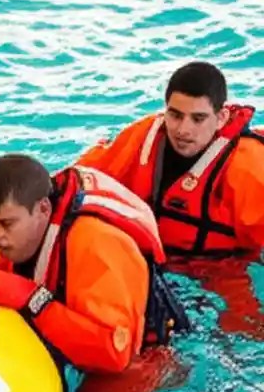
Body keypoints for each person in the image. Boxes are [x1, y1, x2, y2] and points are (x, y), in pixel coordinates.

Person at [0, 154, 184, 374]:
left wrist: (34, 300)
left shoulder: (97, 244)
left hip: (148, 357)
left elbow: (116, 354)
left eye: (6, 223)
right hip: (88, 324)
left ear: (44, 209)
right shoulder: (24, 232)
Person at [76, 60, 264, 256]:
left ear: (221, 118)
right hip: (147, 260)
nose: (183, 130)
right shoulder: (142, 137)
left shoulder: (249, 167)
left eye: (198, 119)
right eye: (175, 115)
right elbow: (74, 185)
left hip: (223, 271)